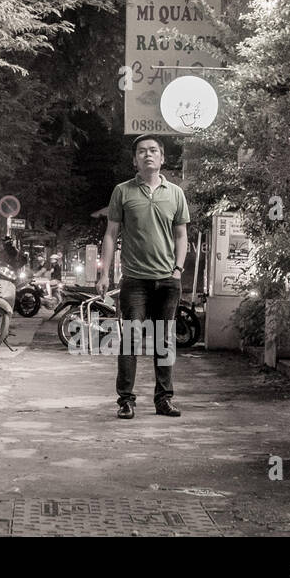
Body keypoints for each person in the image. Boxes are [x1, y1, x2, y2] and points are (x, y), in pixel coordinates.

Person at [98, 134, 190, 420]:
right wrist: (105, 274)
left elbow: (181, 235)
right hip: (134, 281)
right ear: (134, 159)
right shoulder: (122, 192)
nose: (147, 155)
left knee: (164, 341)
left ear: (162, 158)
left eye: (153, 151)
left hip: (167, 281)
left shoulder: (175, 193)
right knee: (131, 340)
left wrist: (177, 270)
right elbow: (111, 235)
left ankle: (164, 399)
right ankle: (126, 400)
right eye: (141, 151)